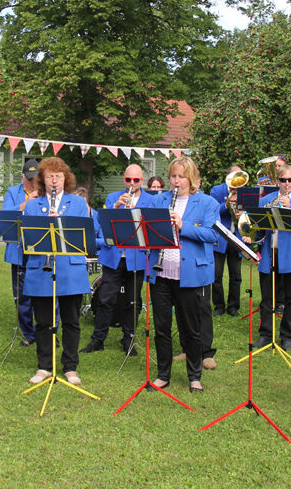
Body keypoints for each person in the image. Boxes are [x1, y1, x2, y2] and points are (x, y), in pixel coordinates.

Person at [147, 157, 220, 393]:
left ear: (191, 178)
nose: (176, 181)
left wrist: (183, 226)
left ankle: (194, 375)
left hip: (189, 273)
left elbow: (212, 235)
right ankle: (163, 374)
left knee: (191, 328)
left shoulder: (207, 203)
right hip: (161, 272)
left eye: (181, 176)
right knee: (161, 327)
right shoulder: (160, 200)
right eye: (173, 176)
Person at [22, 157, 95, 386]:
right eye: (50, 176)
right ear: (42, 179)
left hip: (70, 267)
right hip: (40, 267)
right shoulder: (33, 204)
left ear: (66, 178)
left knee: (71, 320)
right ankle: (44, 365)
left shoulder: (77, 203)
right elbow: (26, 239)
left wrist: (60, 223)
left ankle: (70, 367)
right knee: (43, 320)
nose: (54, 180)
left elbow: (84, 237)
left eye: (59, 176)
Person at [81, 164, 150, 357]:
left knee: (133, 300)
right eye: (128, 179)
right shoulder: (113, 198)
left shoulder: (150, 200)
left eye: (136, 180)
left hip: (136, 257)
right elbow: (103, 225)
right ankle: (98, 339)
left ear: (141, 181)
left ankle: (128, 339)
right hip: (114, 256)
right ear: (124, 180)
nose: (132, 183)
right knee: (105, 298)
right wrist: (116, 207)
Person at [251, 164, 291, 352]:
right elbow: (260, 227)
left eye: (290, 180)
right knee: (267, 297)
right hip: (271, 252)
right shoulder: (268, 199)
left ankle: (287, 336)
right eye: (283, 180)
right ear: (277, 181)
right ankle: (265, 334)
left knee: (290, 299)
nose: (287, 184)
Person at [2, 159, 40, 346]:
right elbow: (6, 215)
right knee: (22, 294)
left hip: (40, 249)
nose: (33, 183)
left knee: (45, 293)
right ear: (22, 177)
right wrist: (25, 204)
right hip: (18, 249)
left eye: (36, 179)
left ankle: (48, 331)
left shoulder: (46, 191)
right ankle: (28, 333)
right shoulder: (13, 192)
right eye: (30, 179)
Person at [209, 165, 244, 317]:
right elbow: (213, 212)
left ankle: (233, 306)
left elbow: (250, 212)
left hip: (237, 236)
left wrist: (242, 213)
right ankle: (218, 305)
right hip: (221, 237)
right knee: (216, 274)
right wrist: (227, 205)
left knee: (236, 275)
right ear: (227, 176)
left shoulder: (244, 191)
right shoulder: (217, 191)